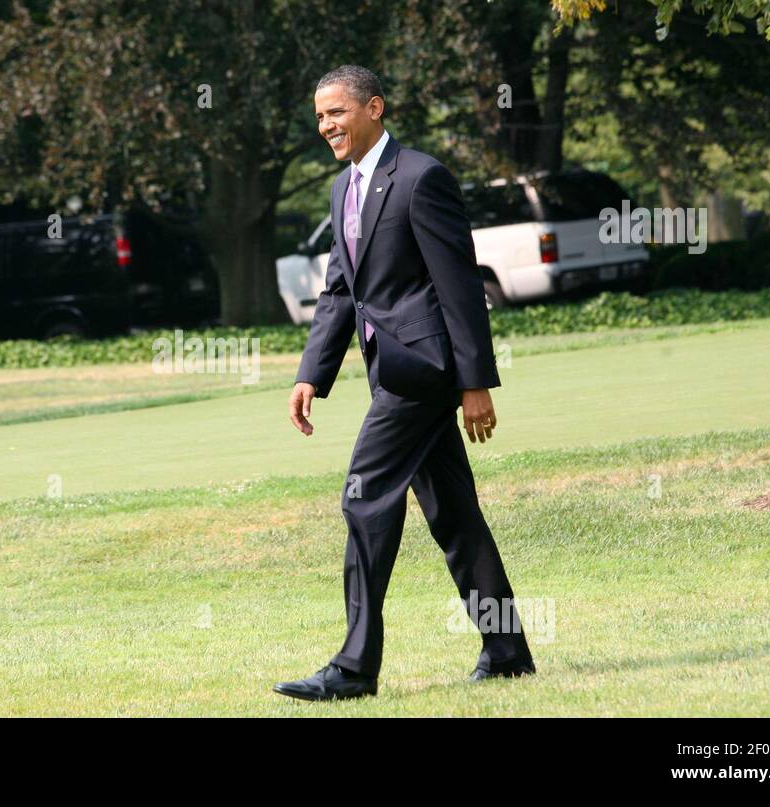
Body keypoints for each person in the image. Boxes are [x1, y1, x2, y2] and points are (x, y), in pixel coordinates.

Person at [273, 65, 535, 702]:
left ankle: (355, 668)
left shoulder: (422, 177)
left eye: (336, 113)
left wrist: (476, 382)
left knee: (363, 500)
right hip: (386, 370)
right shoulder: (342, 190)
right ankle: (505, 652)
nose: (326, 126)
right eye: (318, 117)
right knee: (453, 513)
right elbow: (340, 291)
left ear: (374, 108)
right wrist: (313, 372)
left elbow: (459, 286)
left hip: (423, 374)